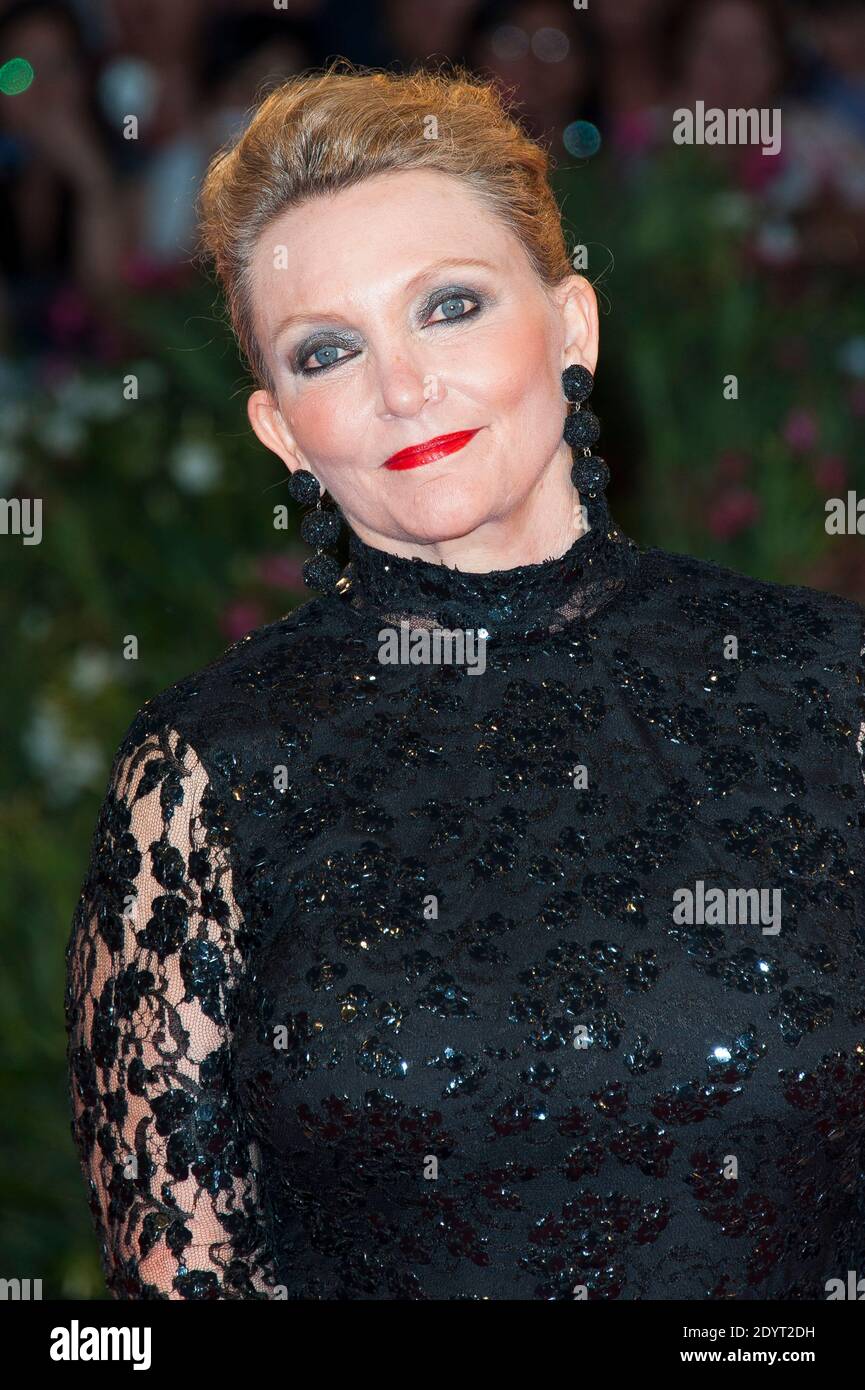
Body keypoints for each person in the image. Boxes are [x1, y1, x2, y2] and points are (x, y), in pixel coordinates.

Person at [65, 61, 865, 1301]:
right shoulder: (204, 777)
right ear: (280, 429)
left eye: (448, 306)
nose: (401, 386)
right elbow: (183, 1284)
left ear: (573, 328)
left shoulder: (827, 687)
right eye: (328, 349)